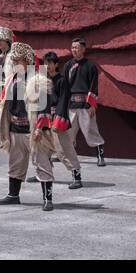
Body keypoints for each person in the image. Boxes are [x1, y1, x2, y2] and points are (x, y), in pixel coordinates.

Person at [0, 41, 53, 209]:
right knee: (15, 163)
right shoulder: (11, 79)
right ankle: (13, 195)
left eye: (17, 60)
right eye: (13, 60)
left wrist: (39, 129)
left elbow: (44, 106)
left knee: (42, 163)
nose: (14, 63)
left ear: (27, 61)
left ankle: (47, 199)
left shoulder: (38, 79)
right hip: (15, 129)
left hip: (33, 130)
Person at [42, 51, 84, 188]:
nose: (47, 66)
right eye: (45, 63)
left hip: (57, 119)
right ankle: (44, 174)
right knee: (43, 148)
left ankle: (76, 176)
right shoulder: (44, 80)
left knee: (63, 149)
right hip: (45, 119)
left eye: (50, 63)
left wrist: (57, 120)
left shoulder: (62, 81)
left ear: (56, 64)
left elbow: (63, 101)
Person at [65, 38, 105, 167]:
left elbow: (94, 86)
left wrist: (91, 104)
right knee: (68, 132)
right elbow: (64, 85)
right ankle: (67, 156)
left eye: (76, 47)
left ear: (83, 49)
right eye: (72, 47)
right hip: (71, 105)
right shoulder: (68, 66)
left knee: (90, 131)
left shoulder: (90, 66)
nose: (74, 50)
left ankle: (100, 155)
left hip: (85, 105)